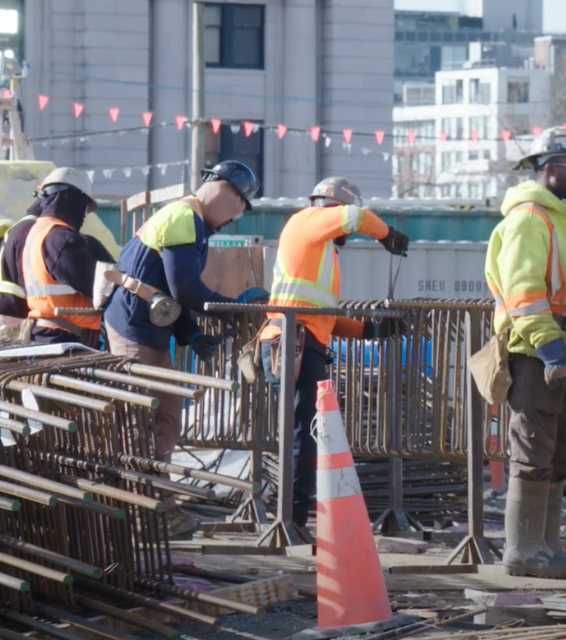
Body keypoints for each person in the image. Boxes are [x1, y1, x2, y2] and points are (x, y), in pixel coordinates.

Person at [103, 160, 267, 538]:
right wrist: (233, 309)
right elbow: (186, 291)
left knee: (167, 419)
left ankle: (157, 505)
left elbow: (163, 290)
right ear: (226, 190)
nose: (238, 213)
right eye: (242, 203)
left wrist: (190, 333)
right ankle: (139, 512)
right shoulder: (183, 217)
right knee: (139, 422)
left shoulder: (194, 224)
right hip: (134, 329)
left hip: (150, 328)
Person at [486, 126, 566, 579]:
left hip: (546, 350)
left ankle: (547, 546)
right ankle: (523, 551)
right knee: (533, 450)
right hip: (531, 351)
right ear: (552, 168)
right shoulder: (528, 220)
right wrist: (551, 346)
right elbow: (523, 293)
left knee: (557, 453)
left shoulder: (552, 220)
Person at [259, 176, 410, 530]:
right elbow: (357, 217)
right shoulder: (310, 221)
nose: (348, 233)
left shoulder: (319, 247)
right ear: (335, 207)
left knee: (304, 433)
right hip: (294, 342)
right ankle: (291, 522)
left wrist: (369, 330)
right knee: (301, 436)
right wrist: (386, 234)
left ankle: (291, 517)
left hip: (299, 339)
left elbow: (323, 316)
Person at [20, 168, 115, 346]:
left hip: (46, 334)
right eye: (83, 206)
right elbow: (100, 287)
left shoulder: (38, 232)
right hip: (64, 339)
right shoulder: (61, 239)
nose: (84, 214)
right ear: (72, 200)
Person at [0, 188, 120, 321]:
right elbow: (94, 283)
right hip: (19, 314)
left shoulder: (26, 232)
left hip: (31, 319)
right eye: (82, 208)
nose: (83, 216)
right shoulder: (56, 238)